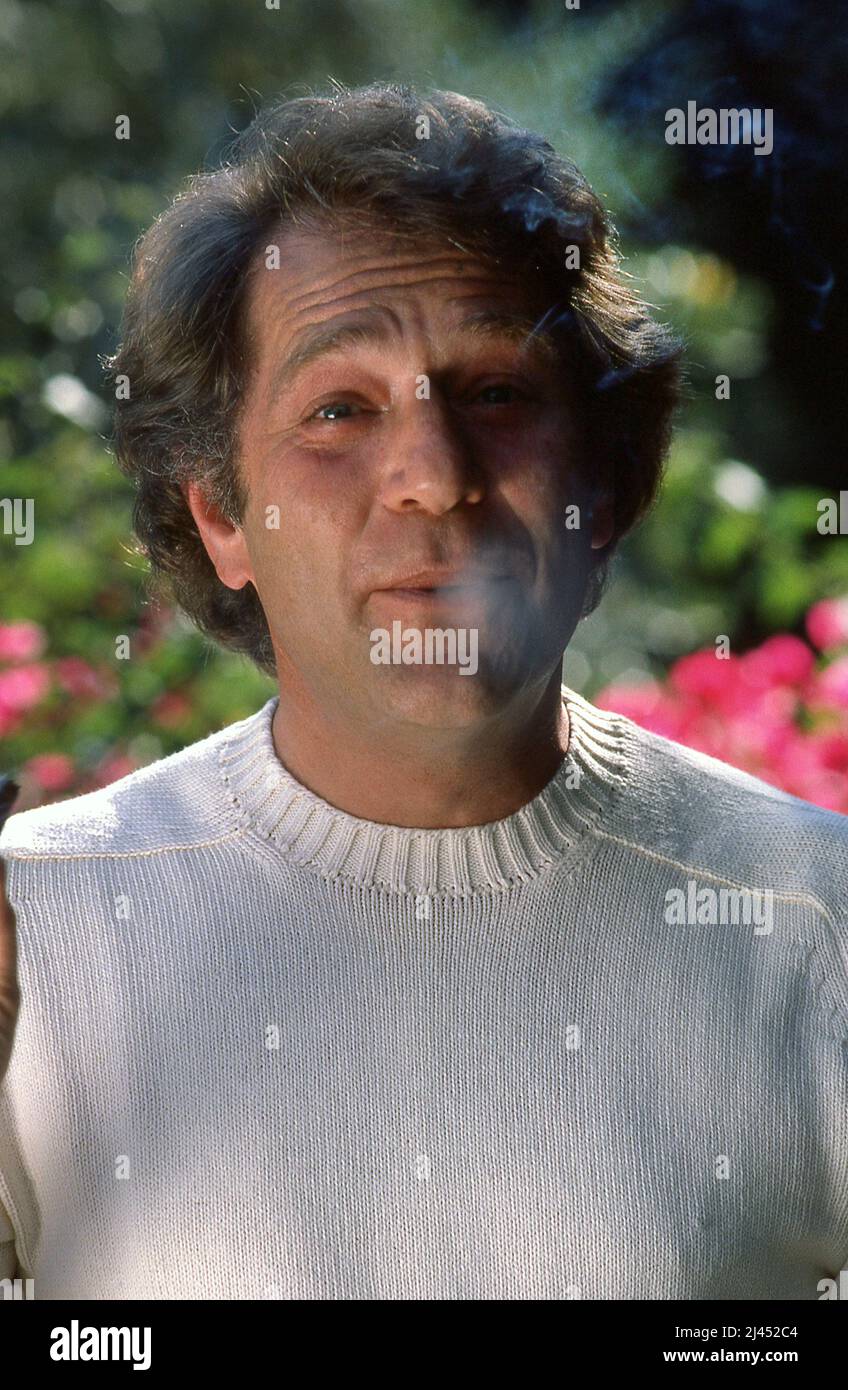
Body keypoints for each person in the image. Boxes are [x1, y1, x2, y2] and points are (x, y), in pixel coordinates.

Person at [0, 81, 845, 1301]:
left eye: (495, 393)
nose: (434, 477)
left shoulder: (812, 926)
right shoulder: (40, 932)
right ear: (222, 518)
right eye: (337, 410)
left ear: (600, 489)